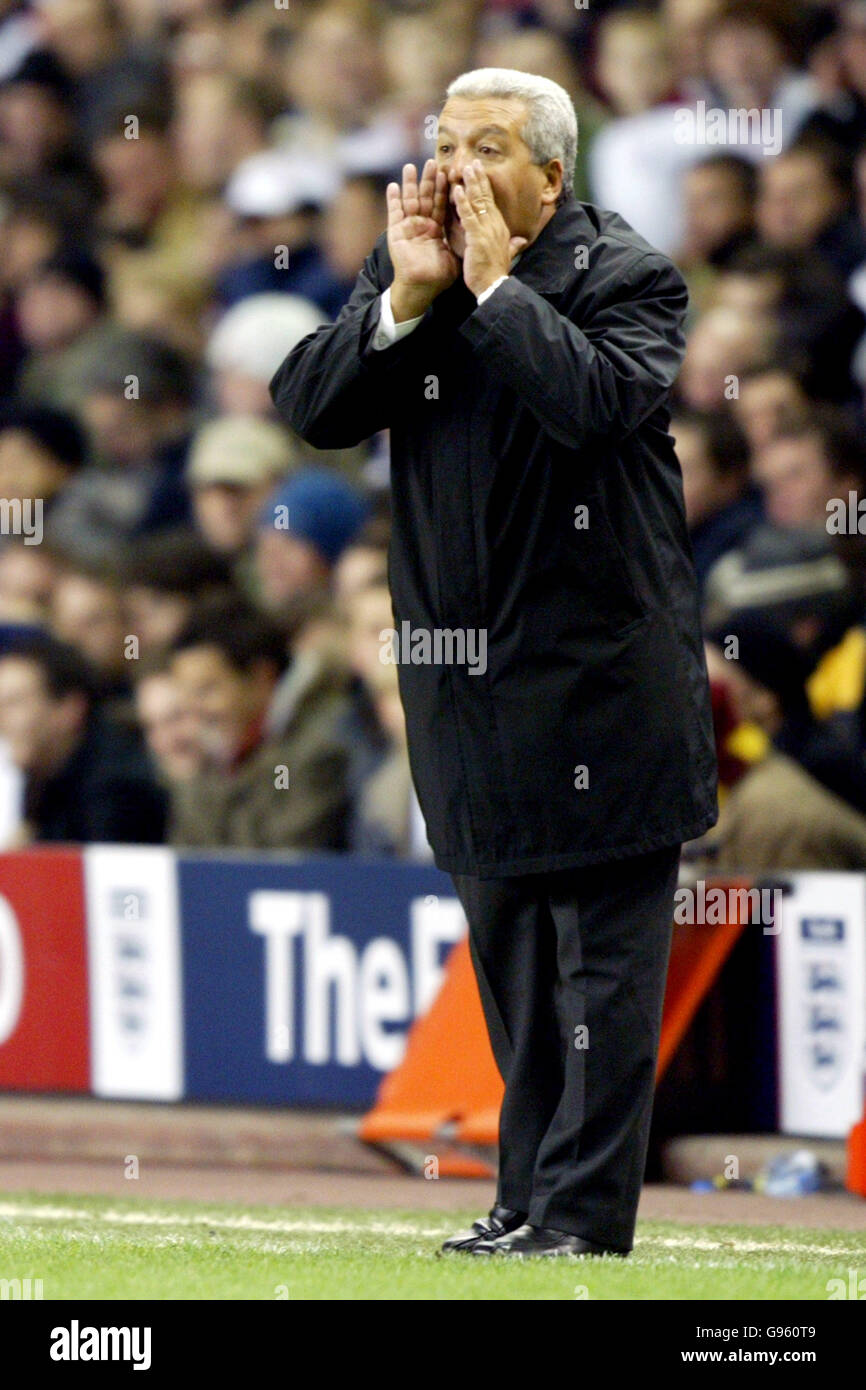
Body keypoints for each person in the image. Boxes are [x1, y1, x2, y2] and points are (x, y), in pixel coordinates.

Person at [270, 67, 717, 1258]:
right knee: (515, 977)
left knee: (600, 986)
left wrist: (491, 288)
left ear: (551, 175)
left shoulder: (626, 274)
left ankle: (579, 1218)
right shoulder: (414, 267)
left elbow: (594, 400)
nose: (455, 166)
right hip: (465, 689)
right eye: (444, 142)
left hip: (601, 691)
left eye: (486, 146)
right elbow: (309, 410)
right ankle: (525, 1199)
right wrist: (405, 303)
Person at [0, 632, 167, 843]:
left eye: (14, 703)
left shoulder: (118, 788)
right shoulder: (37, 778)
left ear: (69, 710)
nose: (1, 719)